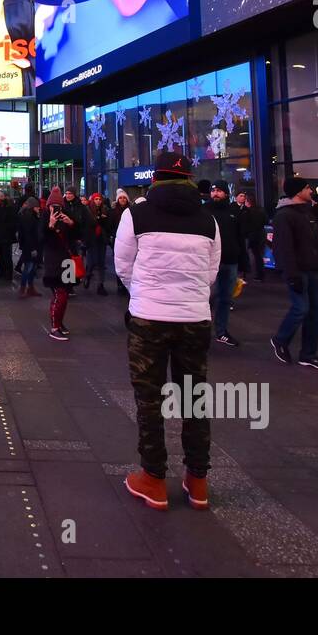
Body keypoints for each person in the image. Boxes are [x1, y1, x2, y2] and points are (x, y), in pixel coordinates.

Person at [113, 152, 220, 511]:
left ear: (154, 178)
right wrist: (188, 297)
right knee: (194, 397)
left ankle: (154, 479)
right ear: (189, 178)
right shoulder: (208, 219)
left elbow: (123, 266)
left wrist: (145, 292)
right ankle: (198, 480)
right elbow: (210, 272)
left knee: (149, 399)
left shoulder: (136, 214)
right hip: (194, 319)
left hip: (149, 317)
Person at [270, 177, 318, 371]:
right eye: (307, 188)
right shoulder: (284, 216)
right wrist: (291, 274)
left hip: (312, 270)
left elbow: (317, 245)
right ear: (298, 192)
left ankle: (308, 354)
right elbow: (283, 248)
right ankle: (280, 339)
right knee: (301, 308)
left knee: (315, 313)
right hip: (298, 271)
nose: (310, 190)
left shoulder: (309, 213)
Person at [205, 181, 244, 346]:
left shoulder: (233, 212)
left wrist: (243, 263)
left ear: (226, 194)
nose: (215, 193)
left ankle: (221, 331)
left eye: (219, 191)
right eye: (213, 191)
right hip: (208, 262)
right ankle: (199, 331)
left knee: (225, 298)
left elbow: (240, 237)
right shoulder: (204, 211)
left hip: (230, 261)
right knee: (204, 298)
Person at [41, 187, 80, 340]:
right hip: (53, 260)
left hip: (67, 259)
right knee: (59, 293)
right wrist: (50, 226)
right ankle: (54, 327)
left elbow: (77, 236)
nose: (55, 209)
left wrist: (71, 223)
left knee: (65, 294)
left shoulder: (67, 216)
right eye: (53, 206)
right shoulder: (44, 217)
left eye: (58, 206)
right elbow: (42, 239)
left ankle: (59, 322)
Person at [83, 192, 112, 295]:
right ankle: (88, 275)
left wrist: (104, 221)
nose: (98, 201)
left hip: (102, 239)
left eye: (99, 199)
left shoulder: (106, 210)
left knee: (101, 262)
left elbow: (108, 225)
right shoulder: (87, 210)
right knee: (92, 261)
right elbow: (87, 224)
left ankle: (101, 285)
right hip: (92, 239)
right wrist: (99, 219)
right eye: (96, 199)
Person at [236, 191, 266, 281]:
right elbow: (266, 220)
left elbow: (244, 225)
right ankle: (260, 275)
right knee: (258, 256)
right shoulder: (261, 209)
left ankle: (245, 274)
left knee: (248, 255)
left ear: (247, 201)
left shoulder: (247, 212)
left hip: (250, 236)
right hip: (260, 234)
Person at [17, 193, 42, 298]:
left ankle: (30, 288)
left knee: (32, 268)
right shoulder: (29, 217)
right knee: (29, 267)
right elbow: (29, 234)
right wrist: (32, 248)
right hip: (31, 247)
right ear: (32, 207)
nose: (39, 208)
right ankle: (23, 288)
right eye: (37, 207)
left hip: (31, 246)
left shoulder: (30, 216)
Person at [0, 190, 18, 281]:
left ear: (1, 199)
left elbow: (13, 223)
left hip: (6, 236)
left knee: (6, 256)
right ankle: (2, 272)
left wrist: (9, 231)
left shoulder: (9, 209)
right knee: (0, 255)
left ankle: (8, 274)